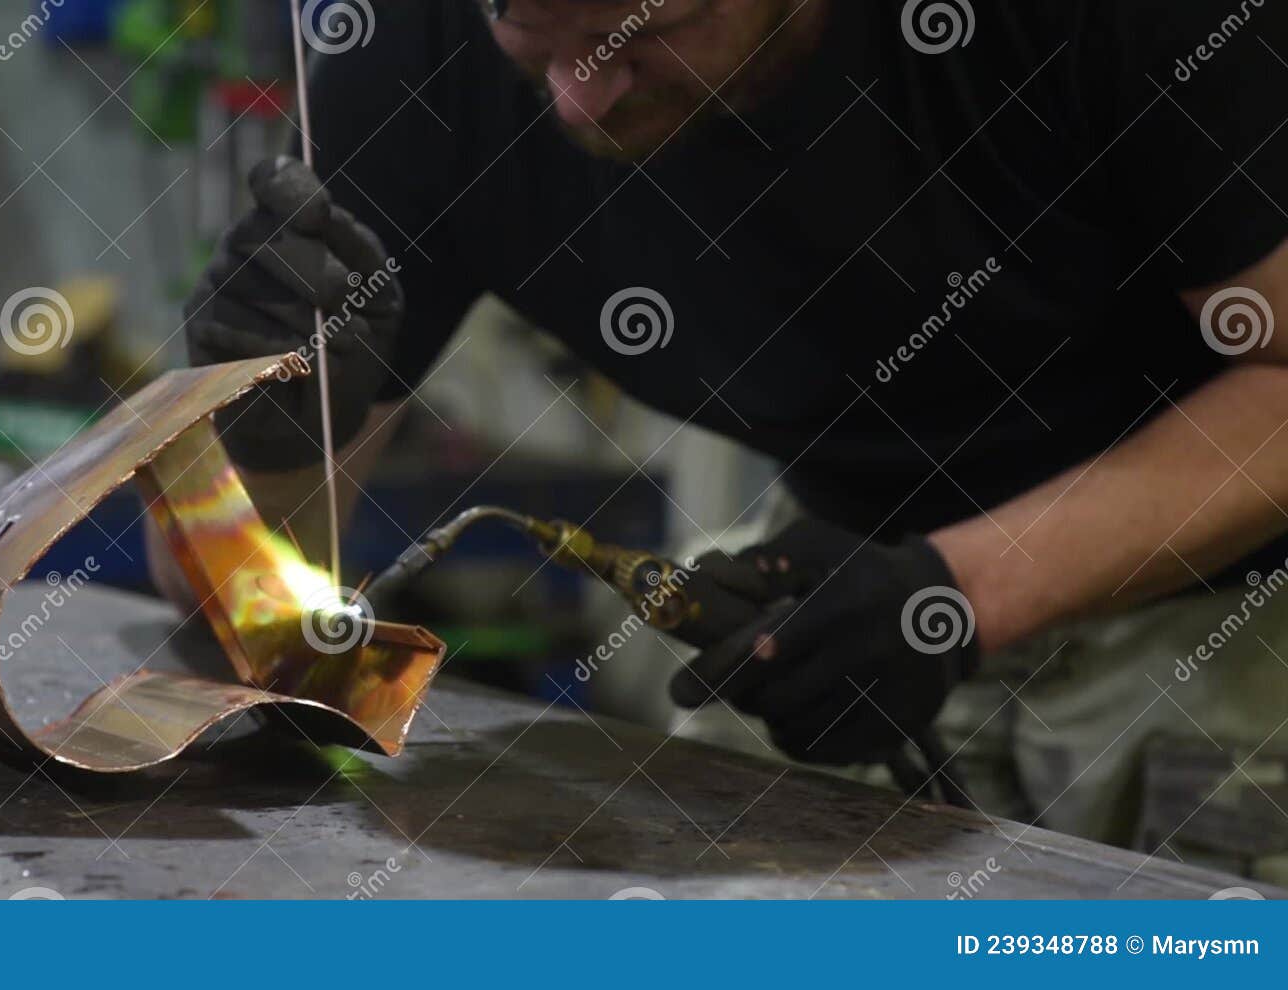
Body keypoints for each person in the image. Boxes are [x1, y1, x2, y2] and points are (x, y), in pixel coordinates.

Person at [159, 0, 1288, 871]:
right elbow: (246, 610)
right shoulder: (408, 49)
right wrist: (253, 435)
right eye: (531, 35)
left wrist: (965, 591)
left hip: (1225, 611)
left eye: (635, 35)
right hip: (857, 571)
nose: (577, 102)